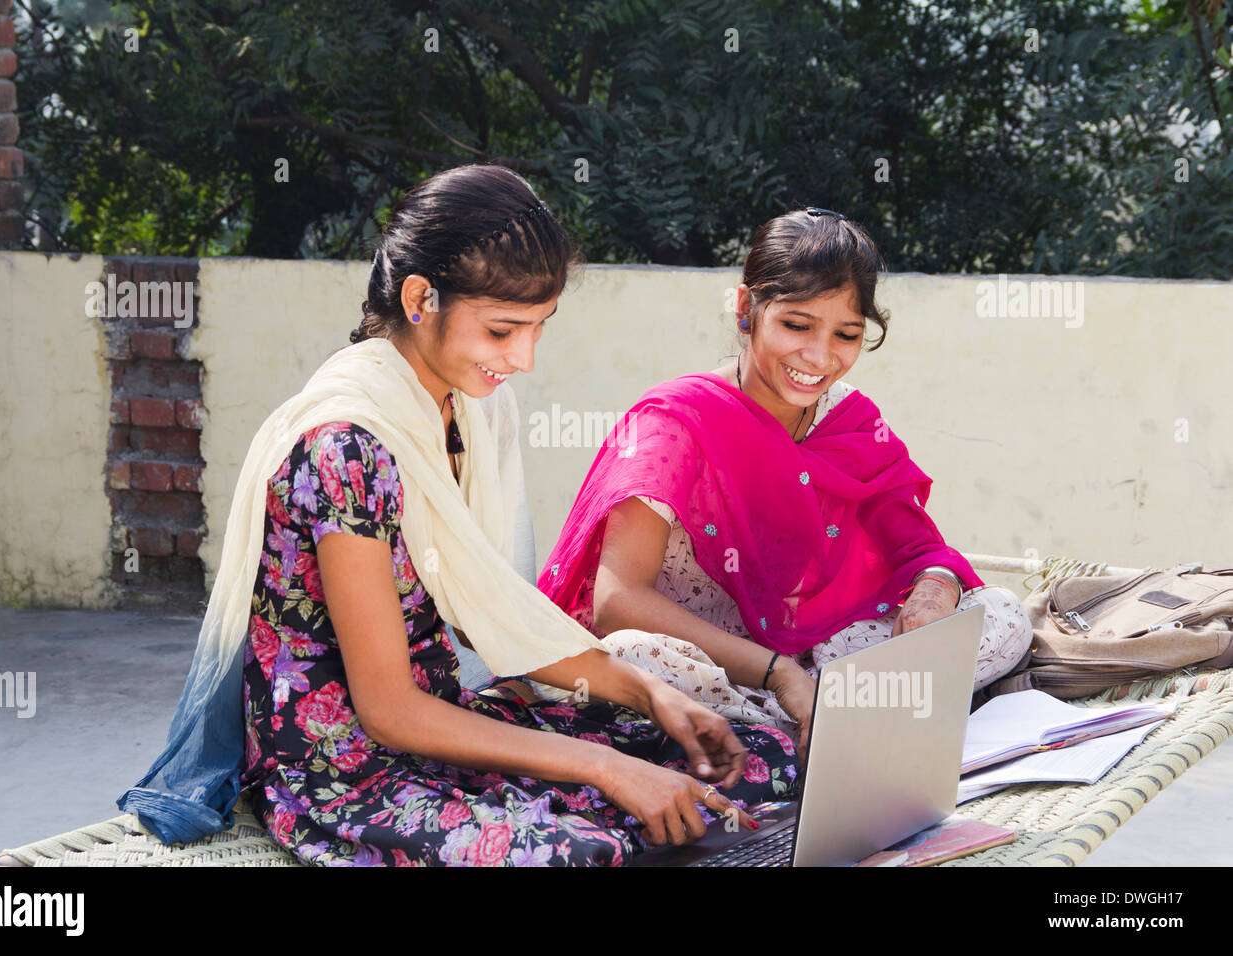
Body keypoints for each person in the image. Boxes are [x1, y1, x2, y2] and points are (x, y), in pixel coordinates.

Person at [120, 164, 798, 867]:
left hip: (442, 719)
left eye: (538, 329)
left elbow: (488, 609)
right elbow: (388, 710)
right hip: (347, 769)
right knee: (581, 853)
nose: (524, 358)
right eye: (504, 330)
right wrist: (601, 767)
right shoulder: (346, 447)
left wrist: (653, 695)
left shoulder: (465, 406)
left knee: (760, 758)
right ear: (420, 298)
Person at [537, 207, 1034, 751]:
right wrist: (779, 673)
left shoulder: (848, 420)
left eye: (846, 334)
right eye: (796, 325)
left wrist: (933, 595)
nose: (819, 358)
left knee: (1002, 617)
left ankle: (807, 723)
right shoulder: (676, 424)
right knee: (635, 654)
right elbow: (617, 601)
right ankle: (820, 721)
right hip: (710, 663)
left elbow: (921, 549)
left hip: (811, 650)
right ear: (747, 308)